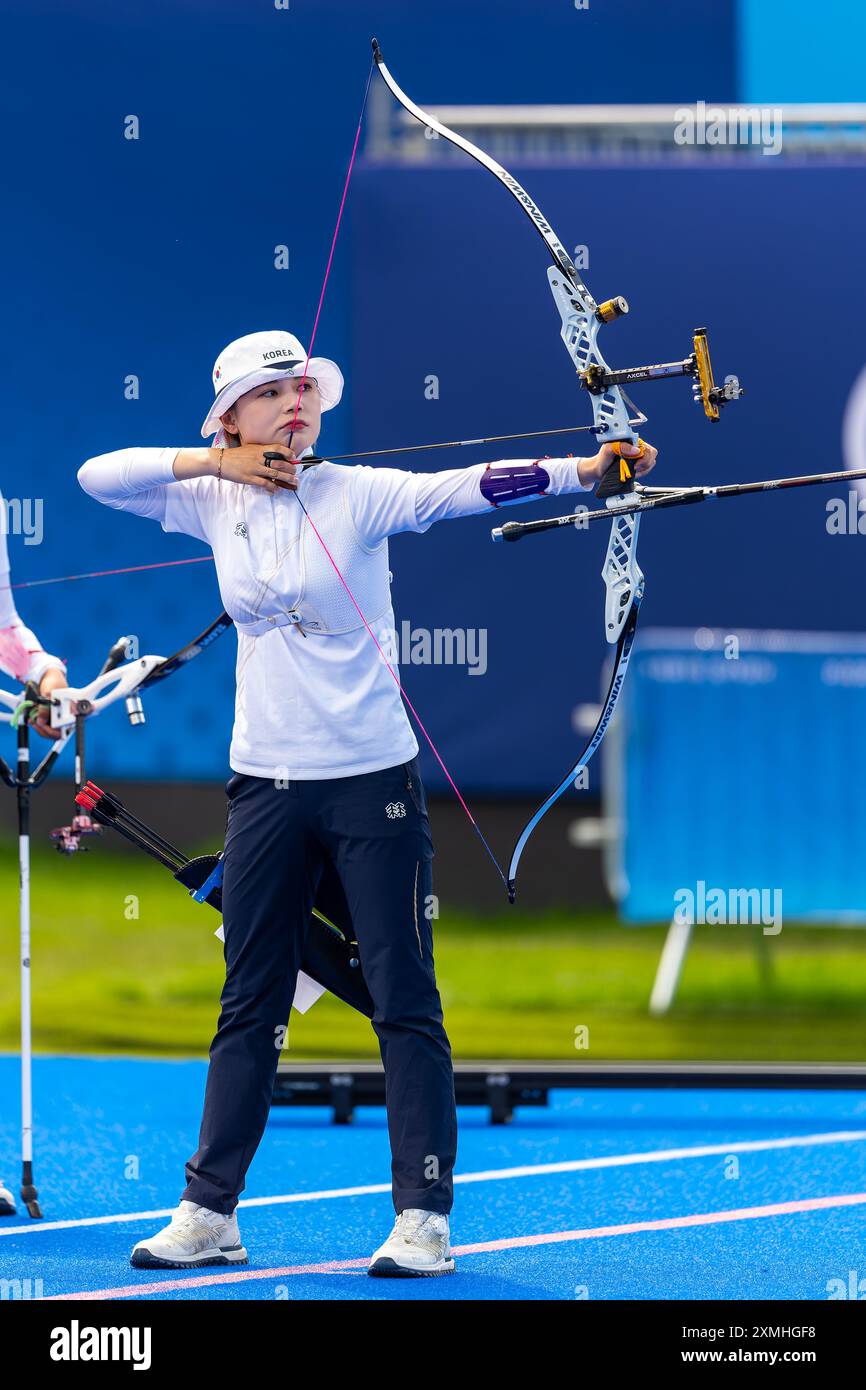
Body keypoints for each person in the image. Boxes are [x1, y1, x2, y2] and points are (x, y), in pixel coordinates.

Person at [78, 329, 657, 1277]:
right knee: (249, 1000)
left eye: (305, 389)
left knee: (402, 998)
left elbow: (472, 485)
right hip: (264, 787)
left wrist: (588, 469)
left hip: (370, 785)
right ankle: (209, 1210)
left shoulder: (356, 492)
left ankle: (422, 1216)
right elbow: (99, 474)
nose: (298, 404)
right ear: (232, 417)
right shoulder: (209, 497)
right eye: (274, 394)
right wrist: (219, 462)